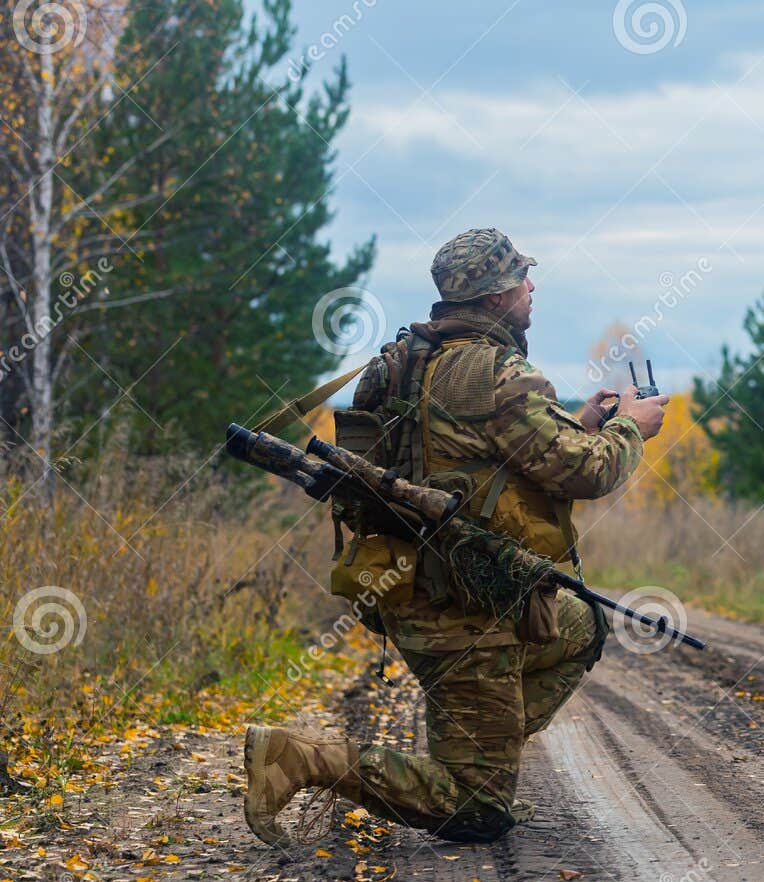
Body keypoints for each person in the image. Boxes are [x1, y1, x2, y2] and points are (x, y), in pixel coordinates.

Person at [243, 228, 669, 846]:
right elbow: (588, 470)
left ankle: (480, 743)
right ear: (497, 296)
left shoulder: (399, 363)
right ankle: (301, 758)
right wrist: (630, 428)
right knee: (476, 810)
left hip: (406, 588)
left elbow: (468, 467)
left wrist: (580, 426)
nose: (531, 288)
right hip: (469, 605)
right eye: (523, 279)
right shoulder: (499, 374)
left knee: (579, 623)